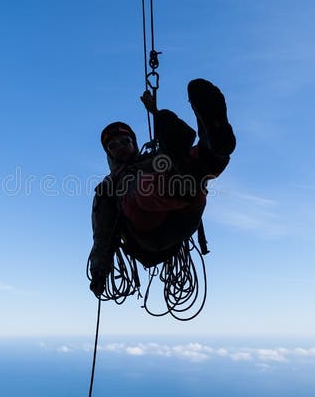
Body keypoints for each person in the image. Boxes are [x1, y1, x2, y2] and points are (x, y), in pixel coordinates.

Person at [89, 78, 236, 297]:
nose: (120, 146)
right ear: (108, 153)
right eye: (113, 145)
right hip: (149, 233)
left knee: (183, 163)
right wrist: (99, 271)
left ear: (134, 143)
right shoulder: (108, 187)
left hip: (183, 215)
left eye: (125, 141)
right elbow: (102, 233)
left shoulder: (153, 160)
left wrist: (157, 114)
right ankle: (182, 179)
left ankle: (212, 146)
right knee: (148, 183)